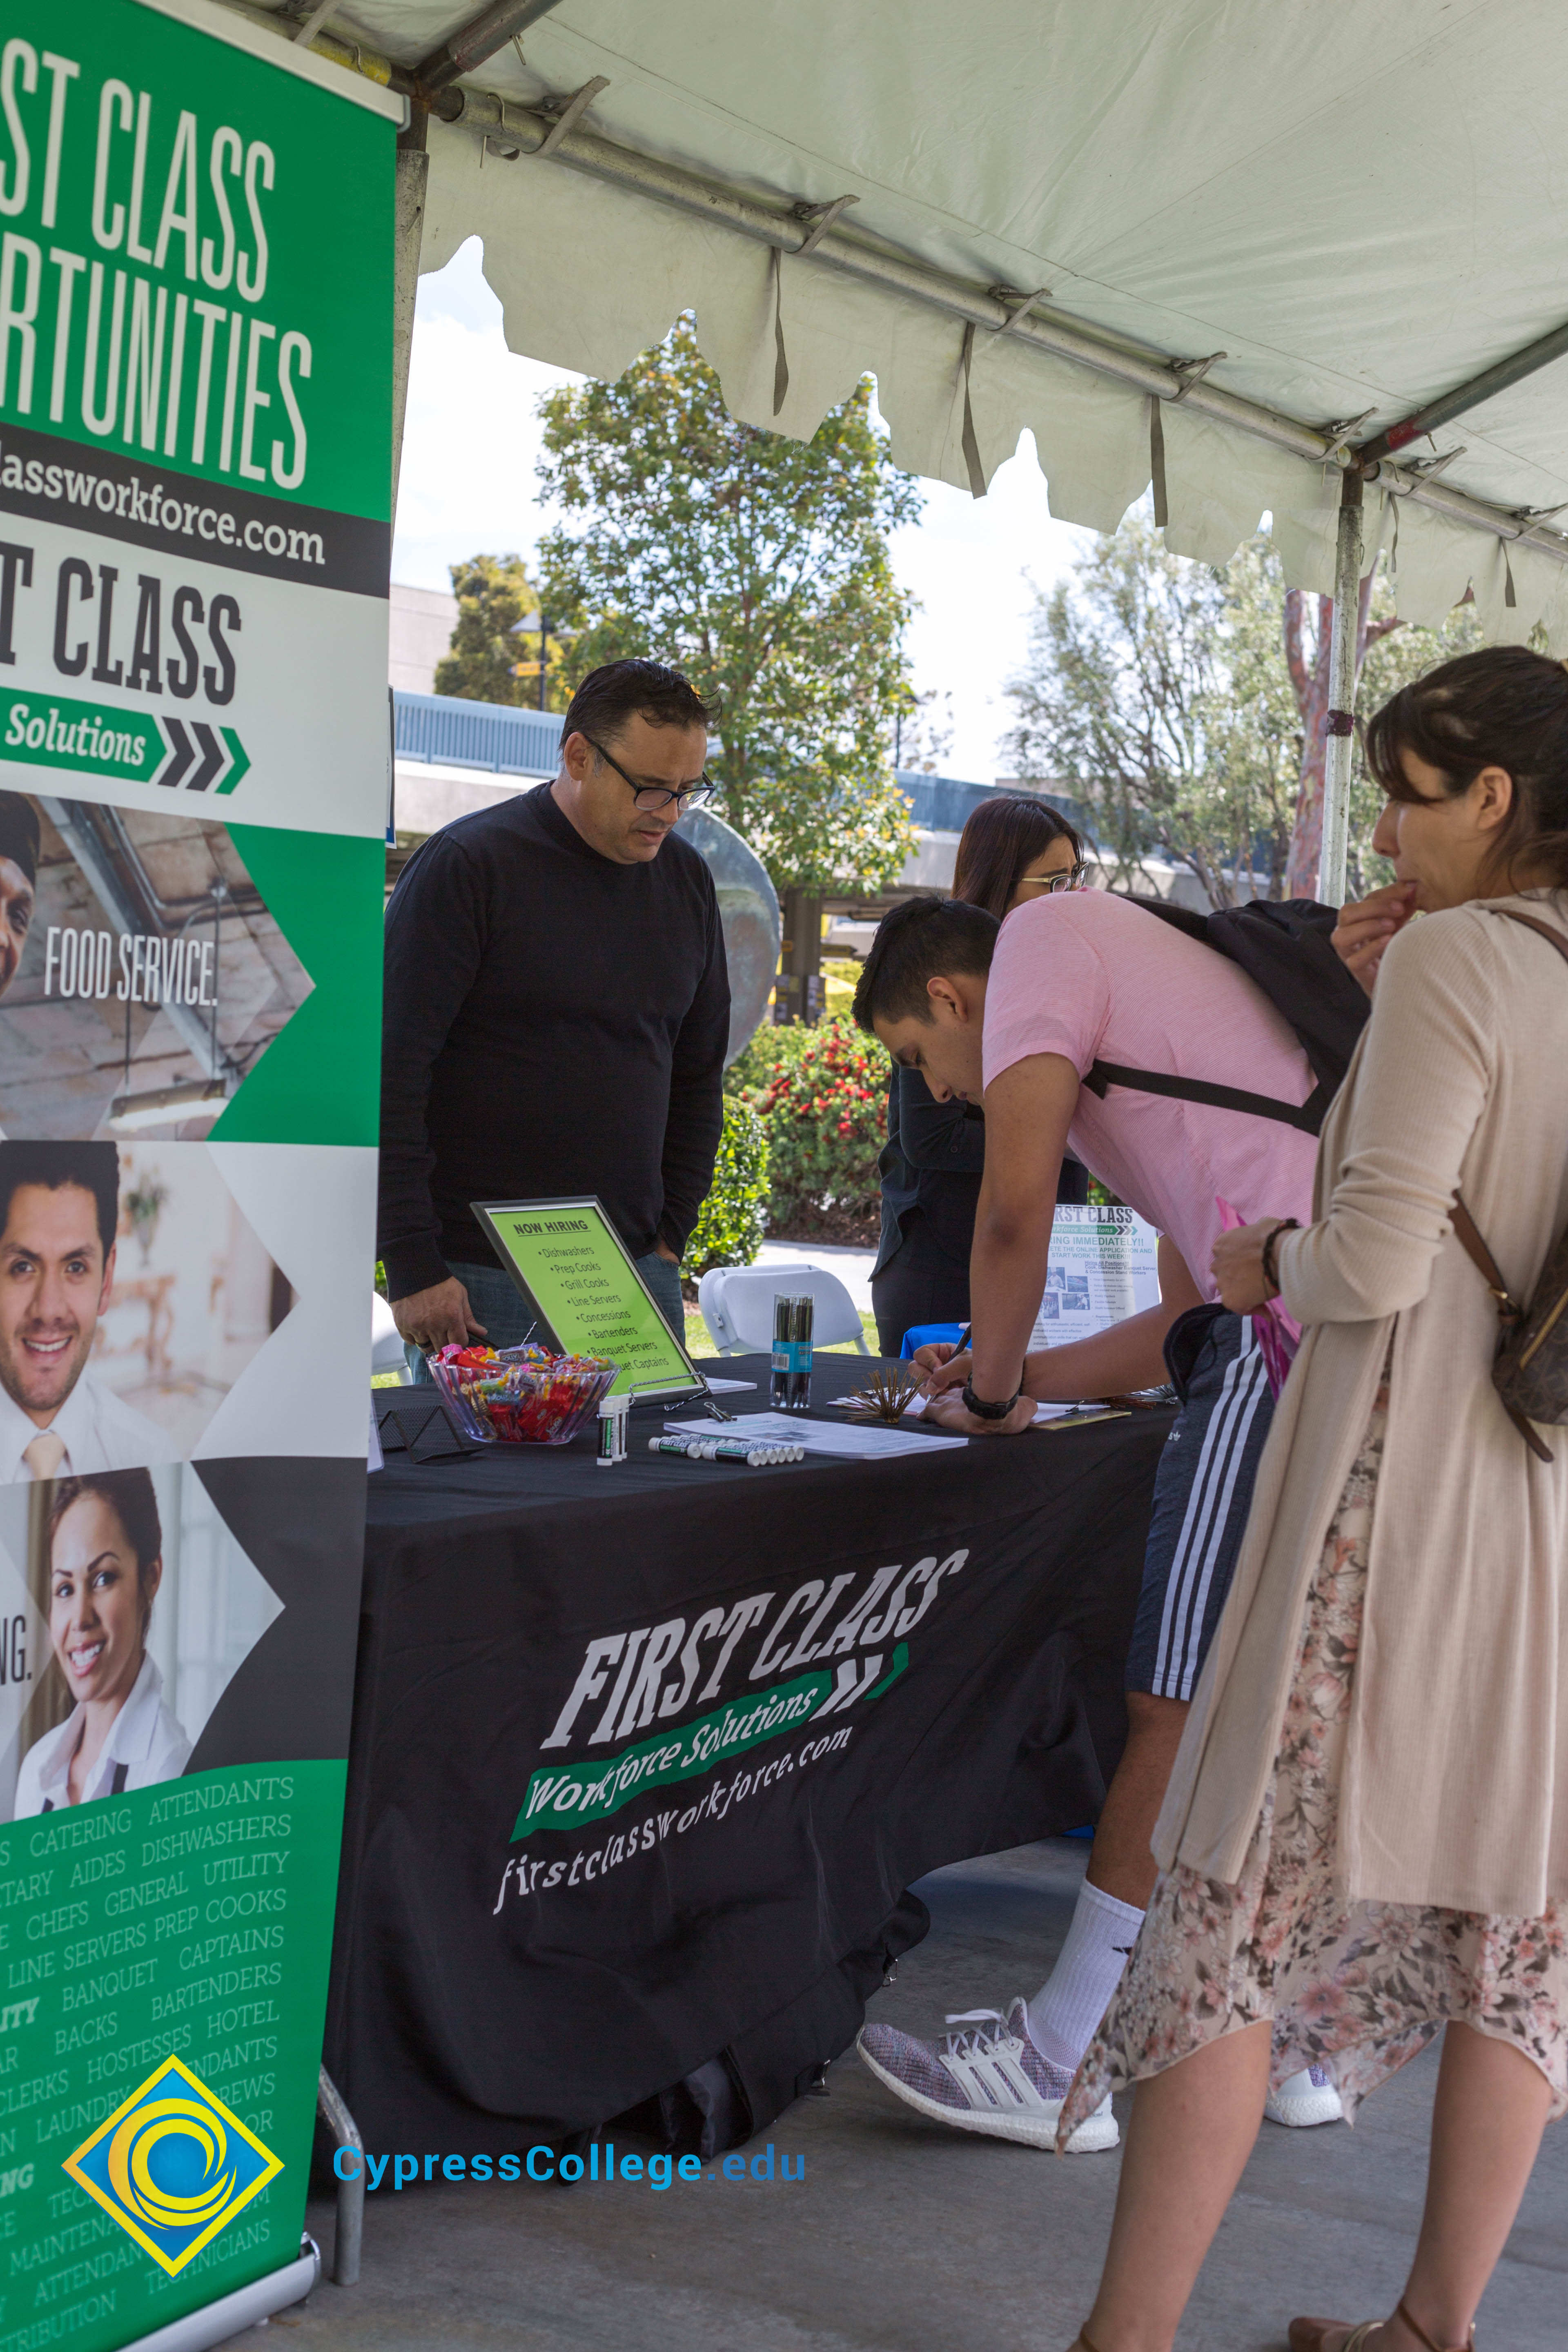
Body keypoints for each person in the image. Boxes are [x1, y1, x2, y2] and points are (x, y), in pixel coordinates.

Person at [1057, 642, 1568, 2352]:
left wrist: (1259, 1249)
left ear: (1496, 799)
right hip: (1546, 1513)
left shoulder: (1466, 964)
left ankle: (1118, 2341)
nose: (1391, 838)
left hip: (1394, 1494)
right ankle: (1434, 2328)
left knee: (1229, 1909)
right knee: (1514, 1922)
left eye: (1413, 802)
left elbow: (1370, 1257)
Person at [851, 883, 1338, 2147]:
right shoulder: (1148, 1023)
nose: (942, 1094)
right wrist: (1014, 1386)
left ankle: (1065, 2059)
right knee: (1278, 1713)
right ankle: (1277, 2038)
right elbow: (1181, 1318)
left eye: (920, 1058)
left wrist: (999, 1381)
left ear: (956, 999)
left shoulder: (1038, 945)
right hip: (1349, 1344)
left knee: (1171, 1700)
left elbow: (1012, 1213)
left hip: (1288, 1347)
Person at [379, 661, 731, 1361]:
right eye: (652, 789)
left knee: (651, 1474)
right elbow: (389, 1071)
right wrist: (414, 1265)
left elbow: (697, 1072)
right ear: (578, 756)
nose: (670, 812)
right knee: (490, 1475)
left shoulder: (687, 880)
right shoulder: (469, 866)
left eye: (688, 791)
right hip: (482, 1275)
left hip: (633, 1271)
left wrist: (670, 1238)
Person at [871, 797, 1090, 1356]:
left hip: (1051, 1256)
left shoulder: (1060, 980)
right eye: (1056, 881)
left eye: (1079, 878)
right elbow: (931, 1135)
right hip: (943, 1268)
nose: (1075, 898)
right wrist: (1062, 1135)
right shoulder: (945, 982)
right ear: (999, 879)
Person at [14, 1470, 190, 1812]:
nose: (80, 1616)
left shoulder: (173, 1773)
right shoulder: (36, 1772)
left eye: (103, 1579)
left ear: (150, 1578)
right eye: (65, 1589)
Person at [0, 1143, 172, 1481]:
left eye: (76, 1267)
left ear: (106, 1281)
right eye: (23, 1267)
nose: (48, 1310)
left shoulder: (152, 1458)